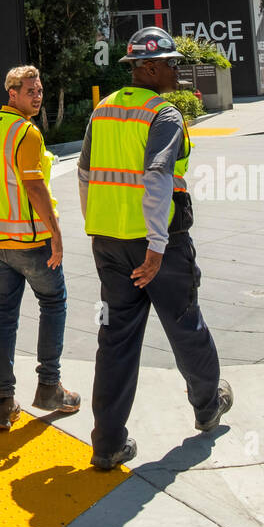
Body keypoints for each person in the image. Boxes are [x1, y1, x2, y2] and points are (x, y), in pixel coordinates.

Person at [78, 27, 231, 470]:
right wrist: (157, 245)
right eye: (170, 62)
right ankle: (207, 405)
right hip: (156, 247)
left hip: (108, 243)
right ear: (146, 67)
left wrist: (95, 227)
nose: (176, 69)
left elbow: (85, 175)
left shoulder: (102, 112)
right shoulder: (162, 114)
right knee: (186, 325)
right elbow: (158, 177)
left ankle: (107, 444)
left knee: (116, 341)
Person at [0, 64, 80, 432]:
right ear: (12, 94)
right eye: (30, 91)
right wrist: (56, 232)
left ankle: (3, 402)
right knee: (54, 303)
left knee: (4, 317)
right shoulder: (28, 133)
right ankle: (49, 387)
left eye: (39, 90)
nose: (37, 96)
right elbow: (33, 189)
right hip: (31, 242)